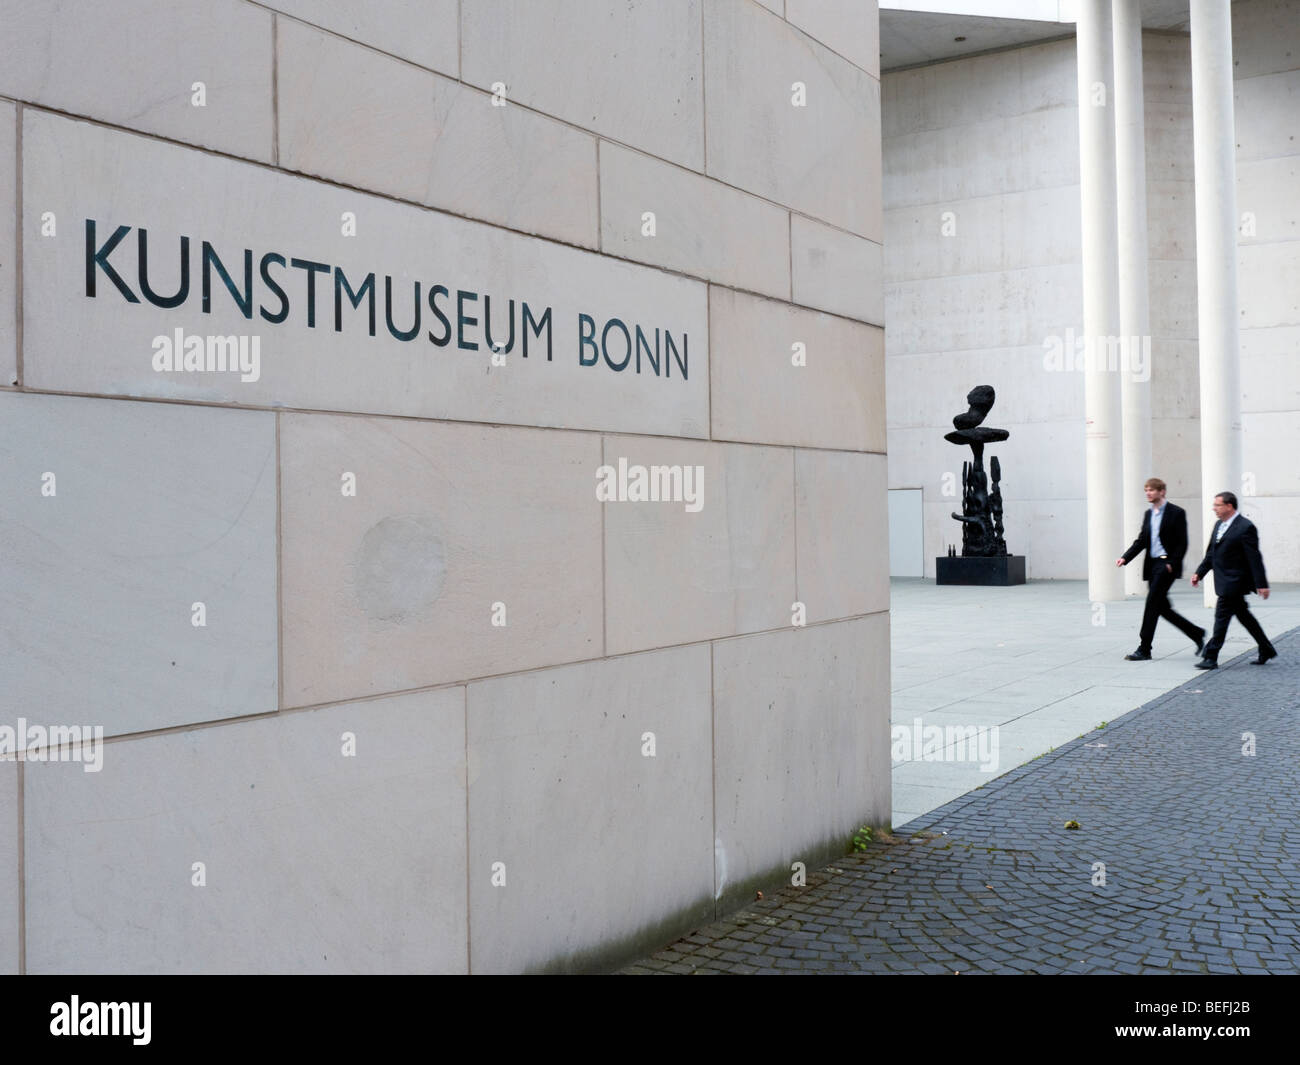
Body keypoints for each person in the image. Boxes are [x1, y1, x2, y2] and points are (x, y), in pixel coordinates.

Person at [1116, 478, 1204, 660]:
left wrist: (1172, 562)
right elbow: (1141, 540)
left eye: (1152, 490)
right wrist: (1126, 557)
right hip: (1152, 565)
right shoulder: (1149, 515)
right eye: (1146, 490)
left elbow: (1182, 542)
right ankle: (1196, 633)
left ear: (1162, 491)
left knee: (1151, 604)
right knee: (1161, 607)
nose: (1148, 493)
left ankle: (1144, 648)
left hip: (1167, 566)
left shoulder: (1176, 513)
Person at [1190, 491, 1276, 669]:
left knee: (1221, 618)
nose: (1214, 508)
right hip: (1223, 580)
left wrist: (1261, 584)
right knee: (1245, 617)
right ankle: (1266, 648)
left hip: (1235, 582)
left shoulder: (1245, 527)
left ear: (1229, 506)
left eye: (1217, 505)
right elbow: (1211, 553)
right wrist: (1199, 573)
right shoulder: (1218, 525)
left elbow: (1254, 558)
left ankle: (1211, 656)